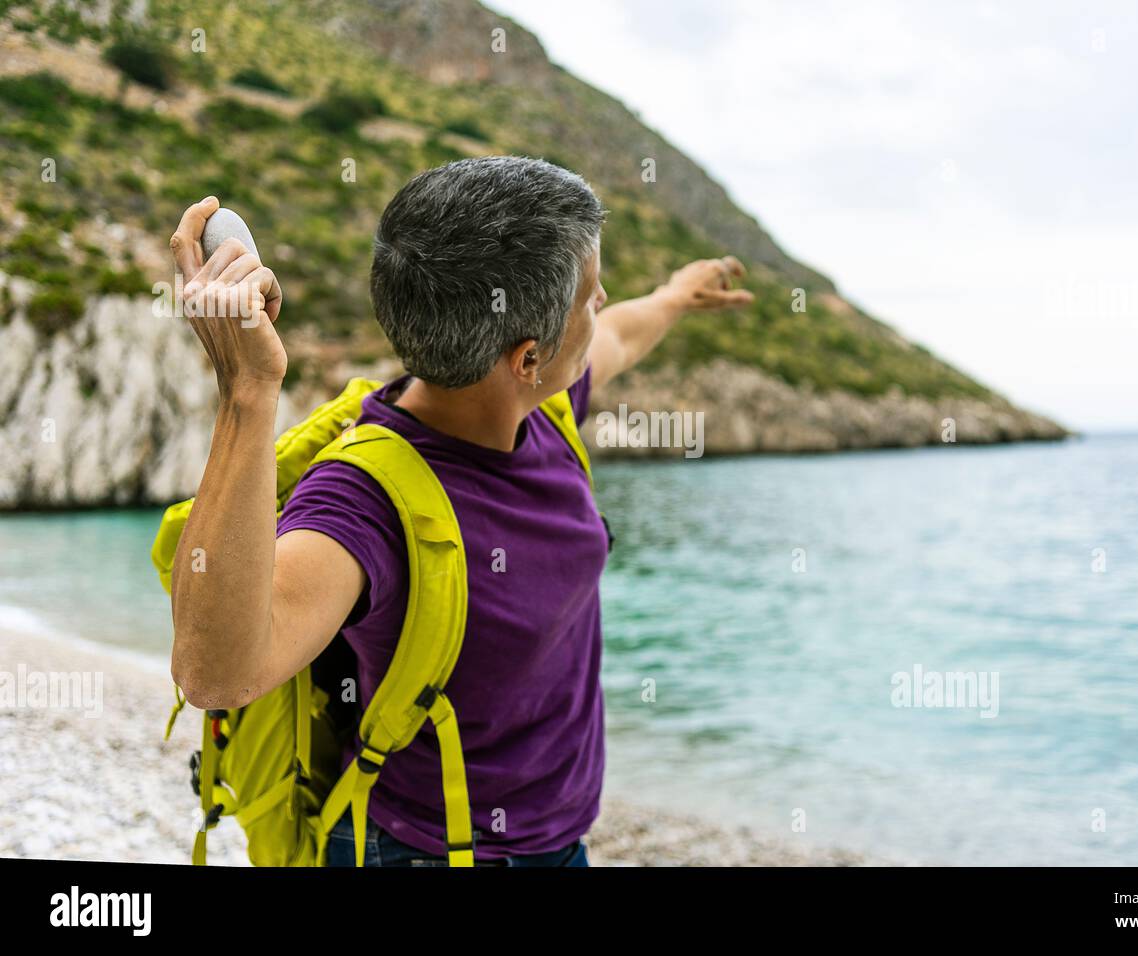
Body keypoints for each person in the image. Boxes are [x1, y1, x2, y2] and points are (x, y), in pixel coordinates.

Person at [166, 156, 753, 866]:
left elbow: (622, 335)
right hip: (426, 853)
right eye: (591, 296)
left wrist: (675, 294)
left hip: (559, 843)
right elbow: (216, 675)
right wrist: (246, 391)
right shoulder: (367, 498)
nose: (603, 306)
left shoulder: (544, 408)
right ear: (528, 357)